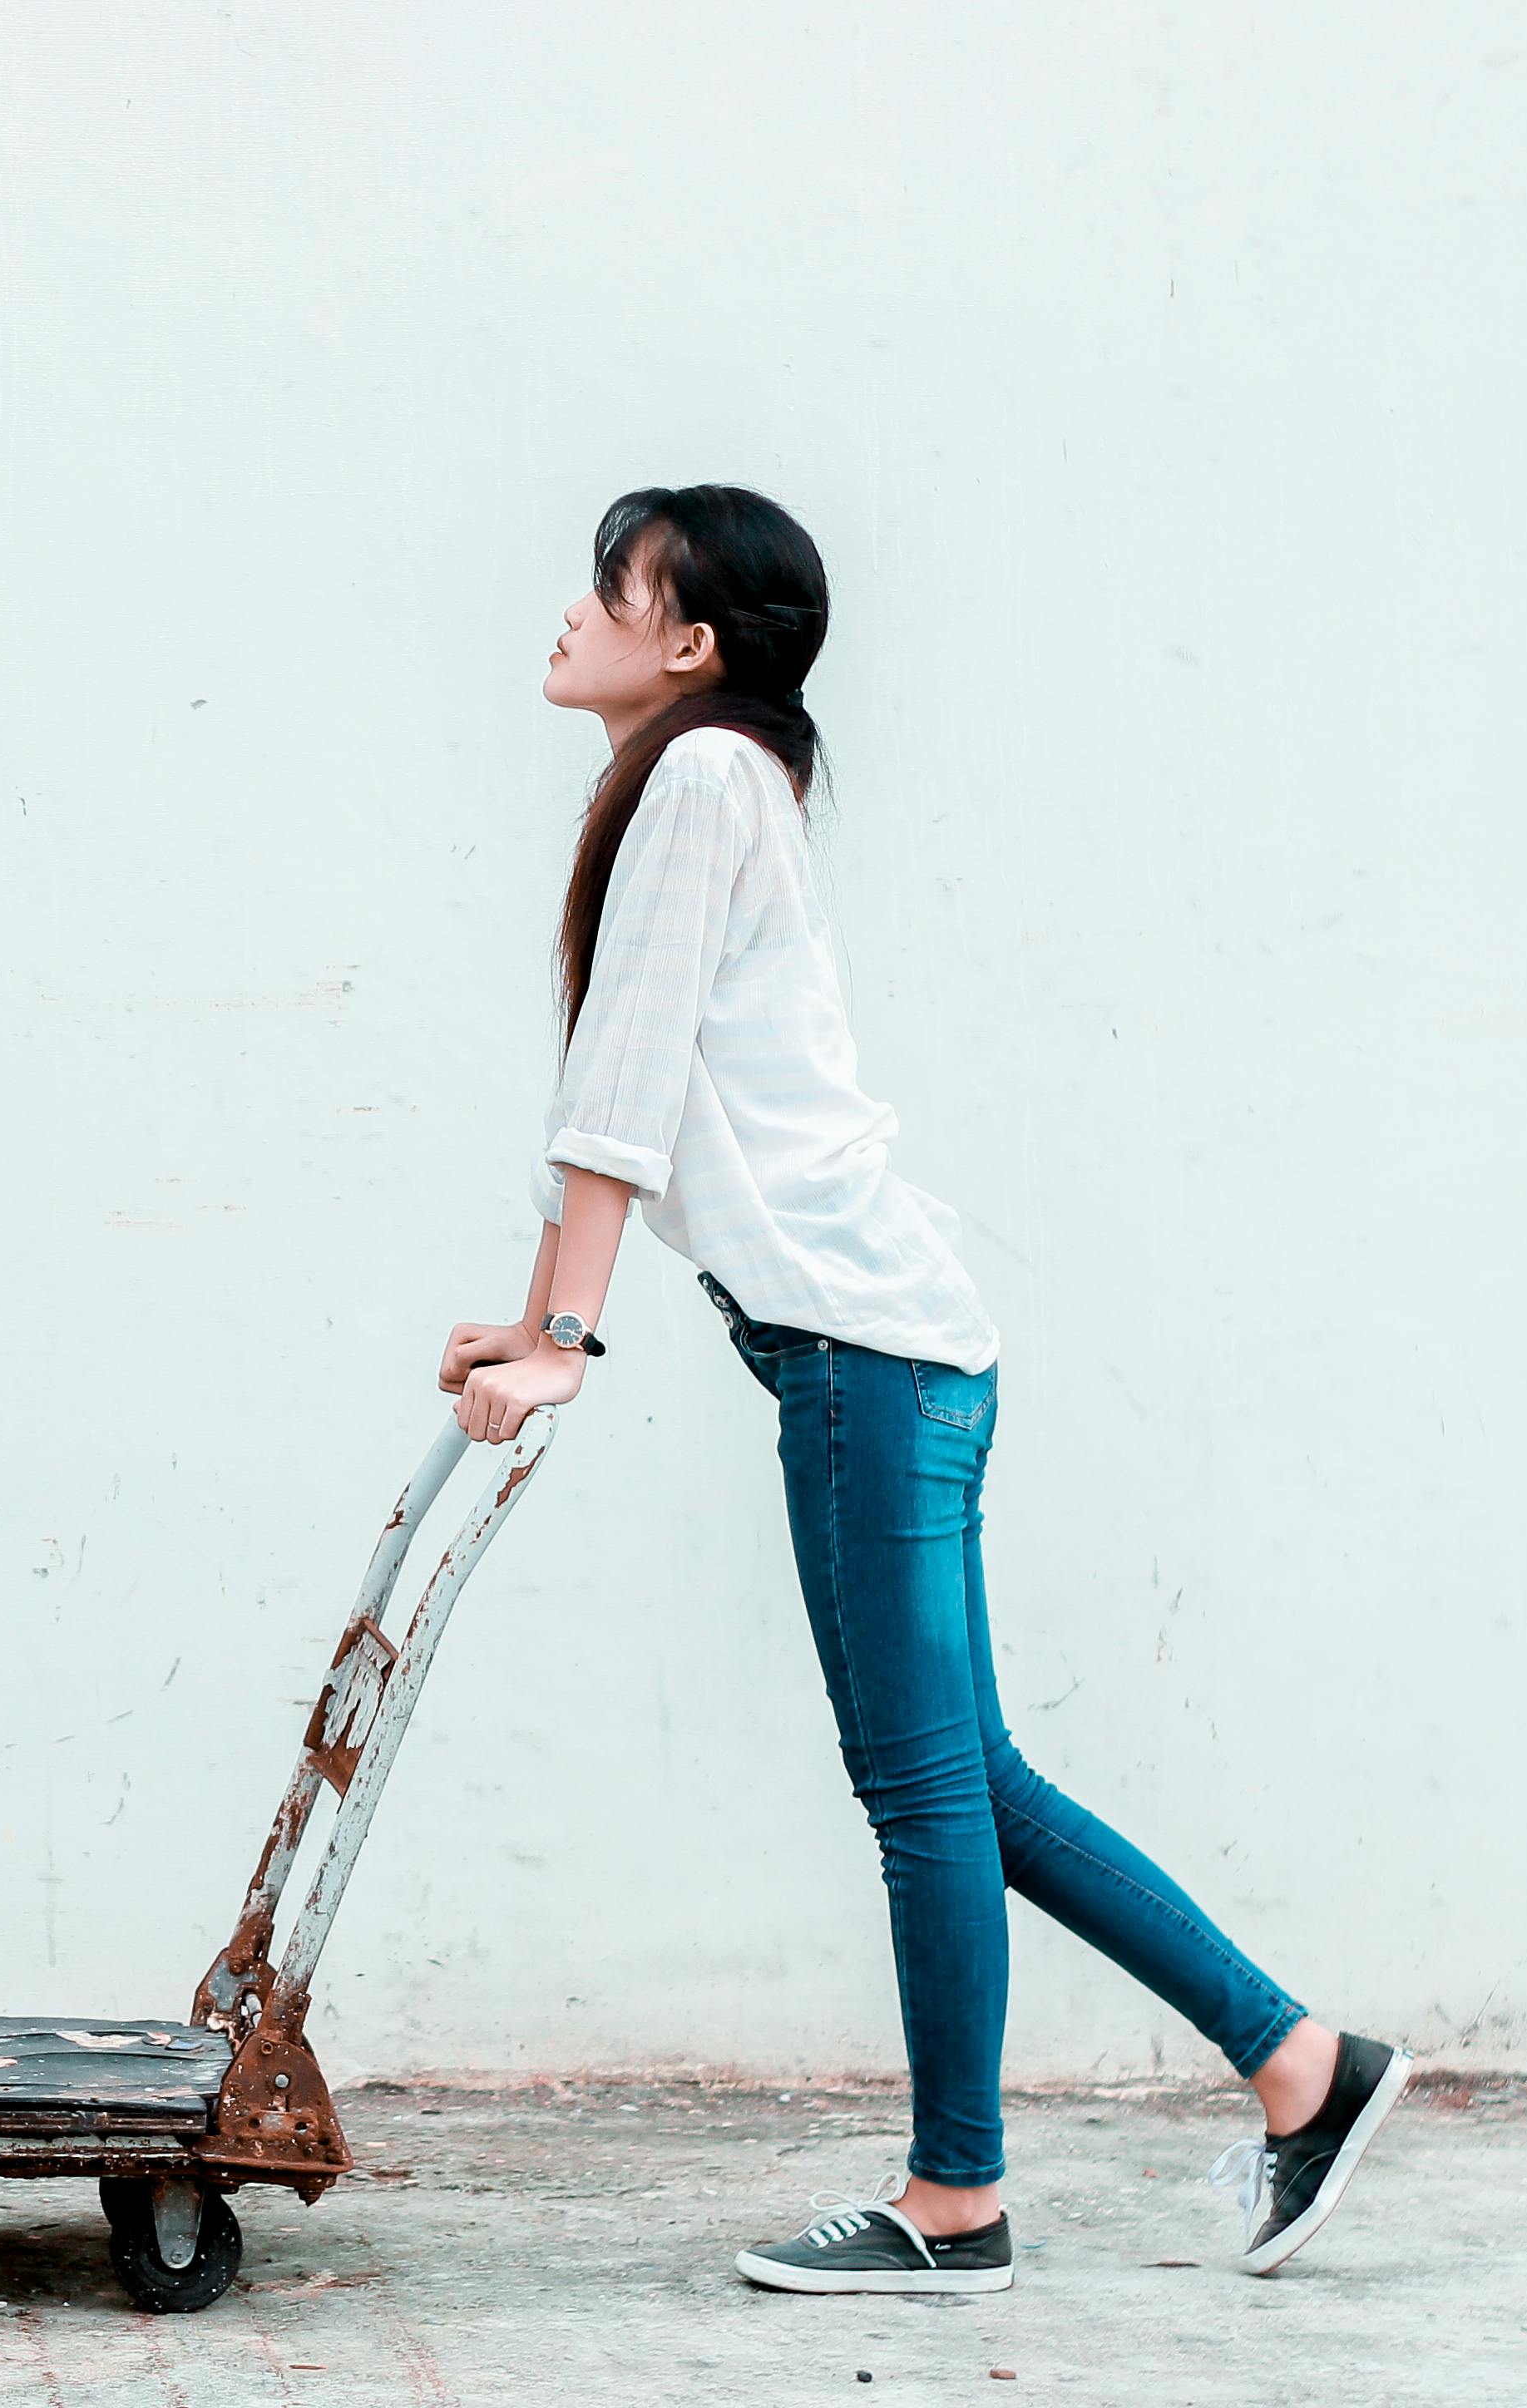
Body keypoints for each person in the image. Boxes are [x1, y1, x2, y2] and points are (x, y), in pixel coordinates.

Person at [433, 486, 1406, 2295]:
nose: (571, 614)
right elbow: (639, 1088)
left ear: (694, 643)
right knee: (976, 1779)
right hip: (898, 1341)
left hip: (867, 1361)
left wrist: (568, 1335)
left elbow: (626, 1083)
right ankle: (1303, 2064)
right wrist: (536, 1315)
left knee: (924, 1790)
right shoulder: (715, 777)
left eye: (610, 587)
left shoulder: (703, 779)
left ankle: (958, 2199)